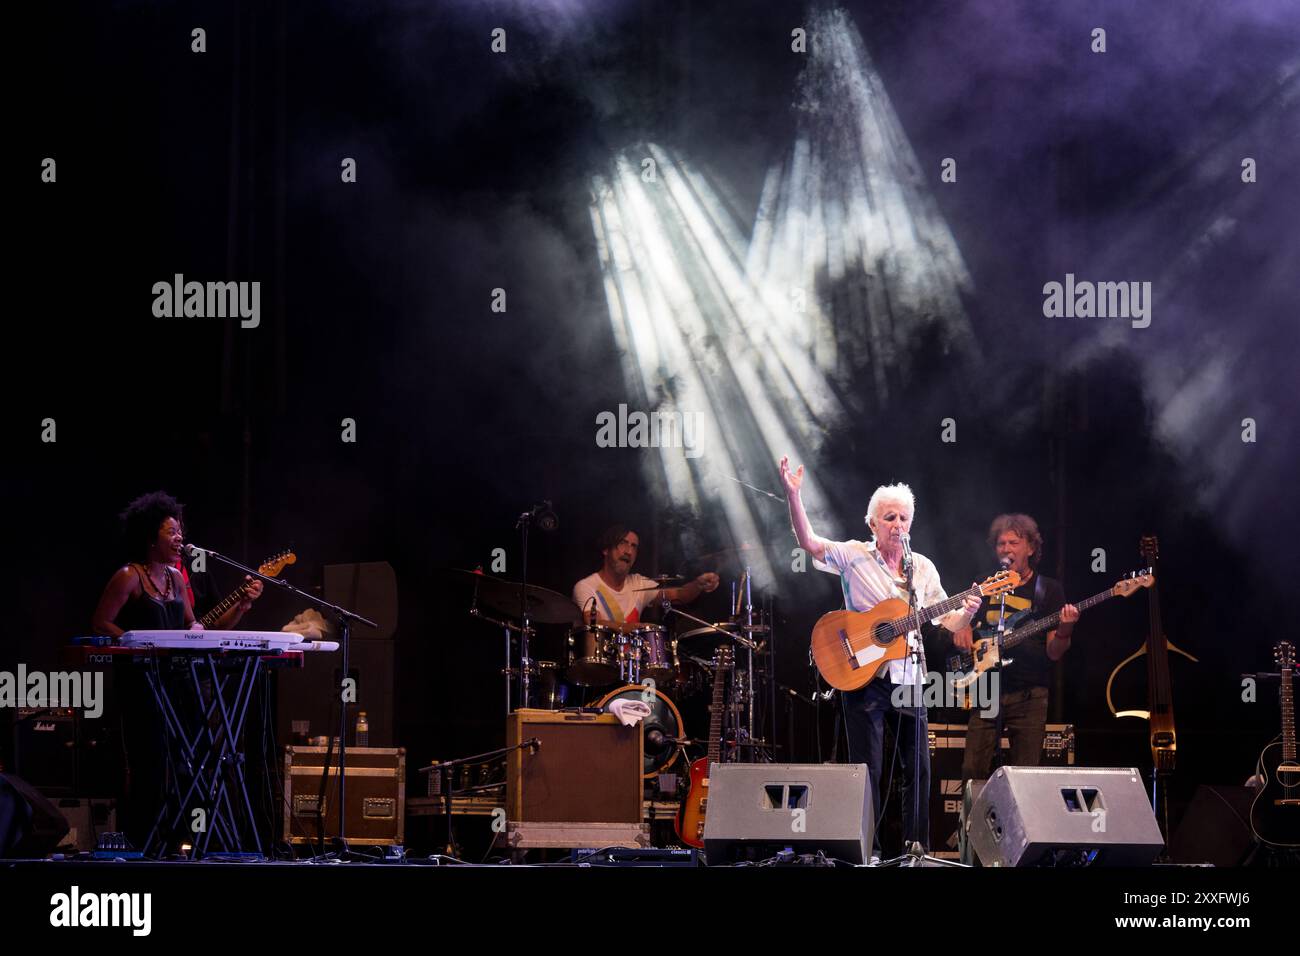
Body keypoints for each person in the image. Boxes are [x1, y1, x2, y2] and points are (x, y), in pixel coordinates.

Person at [780, 456, 979, 860]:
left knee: (919, 769)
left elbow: (947, 618)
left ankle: (915, 850)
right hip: (862, 675)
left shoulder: (921, 569)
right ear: (872, 524)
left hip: (909, 678)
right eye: (889, 517)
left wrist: (970, 611)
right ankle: (863, 852)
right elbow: (809, 543)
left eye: (904, 518)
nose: (898, 525)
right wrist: (793, 495)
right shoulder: (854, 555)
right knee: (866, 772)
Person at [954, 513, 1078, 782]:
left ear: (1031, 548)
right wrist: (963, 626)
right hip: (986, 691)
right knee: (971, 774)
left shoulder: (1049, 590)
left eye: (1014, 542)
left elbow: (1054, 652)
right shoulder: (985, 583)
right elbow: (961, 622)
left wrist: (1065, 629)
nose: (1006, 549)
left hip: (1029, 697)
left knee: (1025, 780)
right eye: (1001, 543)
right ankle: (970, 825)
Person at [571, 525, 719, 625]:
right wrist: (632, 628)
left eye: (633, 546)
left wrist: (698, 584)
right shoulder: (586, 586)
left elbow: (680, 595)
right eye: (623, 543)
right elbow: (593, 622)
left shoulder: (639, 583)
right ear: (606, 550)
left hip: (631, 668)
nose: (628, 551)